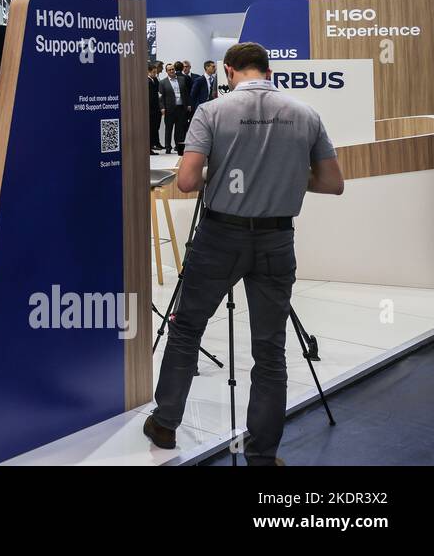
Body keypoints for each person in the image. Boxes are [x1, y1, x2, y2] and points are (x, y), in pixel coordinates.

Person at [144, 42, 344, 466]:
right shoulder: (306, 114)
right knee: (269, 349)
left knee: (187, 330)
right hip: (276, 242)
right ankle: (262, 453)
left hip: (219, 238)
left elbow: (185, 181)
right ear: (267, 70)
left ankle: (164, 424)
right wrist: (283, 175)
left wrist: (229, 174)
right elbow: (331, 182)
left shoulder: (212, 112)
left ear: (231, 71)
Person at [158, 63, 189, 154]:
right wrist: (162, 108)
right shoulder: (163, 82)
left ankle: (178, 147)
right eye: (169, 70)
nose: (172, 71)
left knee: (179, 130)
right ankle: (168, 147)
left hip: (181, 108)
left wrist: (188, 105)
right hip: (169, 109)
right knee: (169, 129)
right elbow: (160, 97)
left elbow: (186, 93)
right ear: (166, 71)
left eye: (172, 69)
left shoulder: (182, 79)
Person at [148, 61, 163, 152]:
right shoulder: (147, 81)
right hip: (151, 109)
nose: (155, 74)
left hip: (156, 108)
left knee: (155, 128)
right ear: (148, 72)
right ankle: (149, 147)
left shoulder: (155, 80)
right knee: (151, 129)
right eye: (153, 72)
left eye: (155, 72)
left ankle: (154, 144)